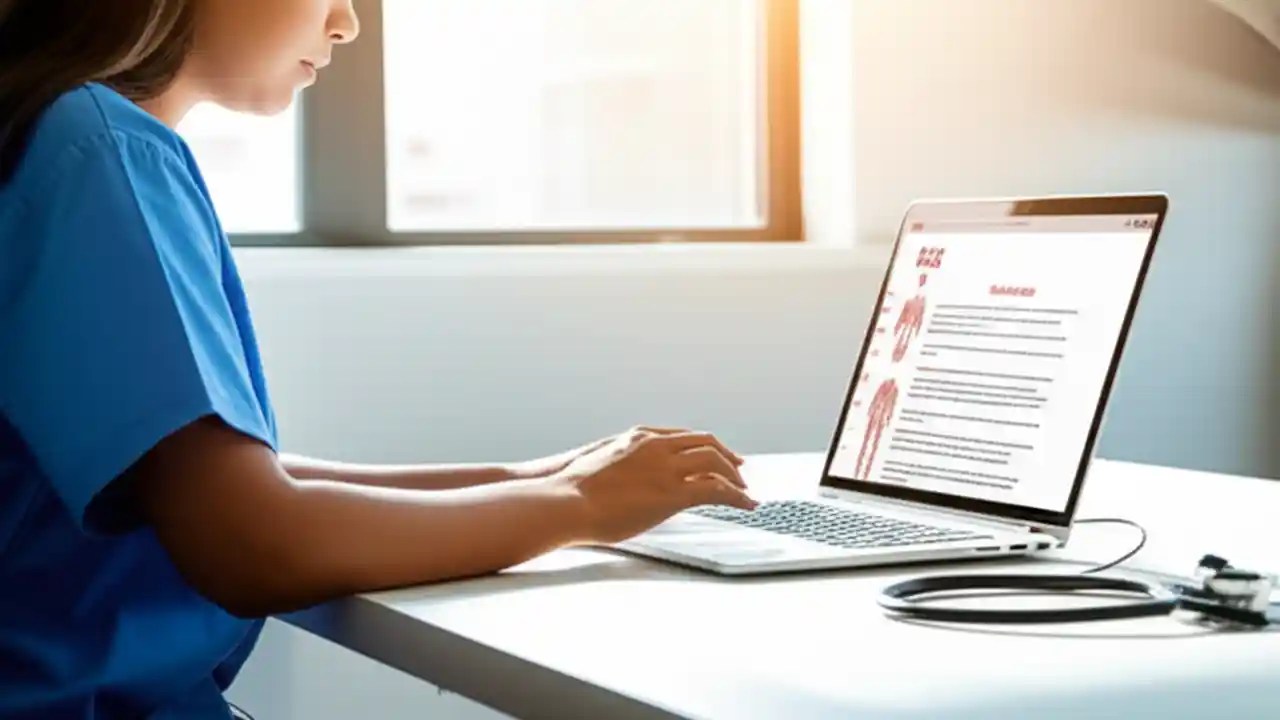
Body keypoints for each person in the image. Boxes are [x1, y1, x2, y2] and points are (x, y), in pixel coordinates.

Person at [0, 1, 757, 717]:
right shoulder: (101, 152)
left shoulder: (63, 137)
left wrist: (535, 477)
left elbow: (215, 483)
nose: (347, 24)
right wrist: (579, 507)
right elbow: (253, 538)